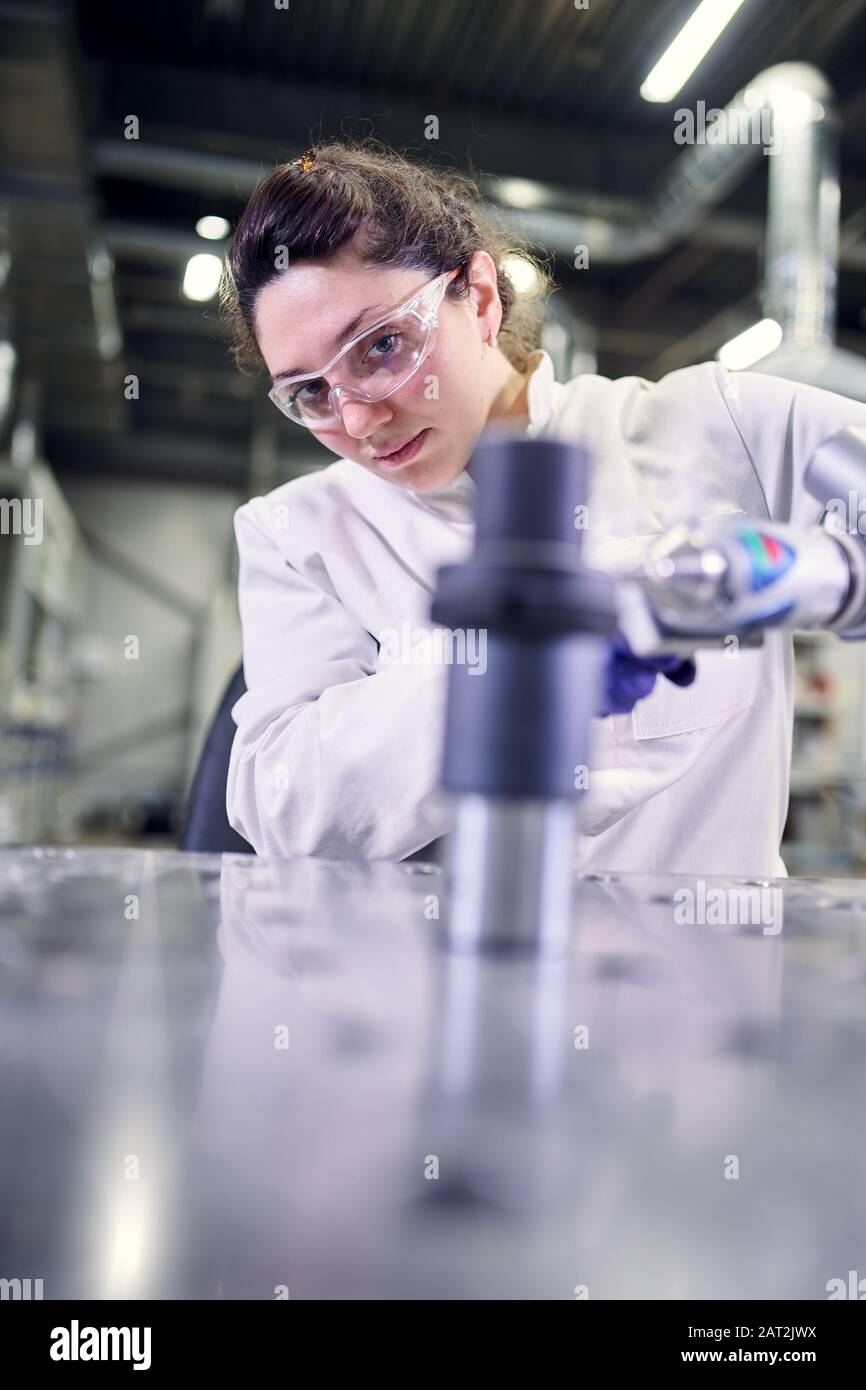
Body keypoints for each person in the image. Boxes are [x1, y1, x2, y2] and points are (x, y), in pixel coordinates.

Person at [221, 139, 866, 874]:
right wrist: (503, 674)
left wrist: (787, 573)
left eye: (381, 345)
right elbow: (283, 807)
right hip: (441, 979)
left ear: (482, 299)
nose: (360, 421)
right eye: (311, 392)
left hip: (709, 977)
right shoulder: (299, 531)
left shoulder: (716, 429)